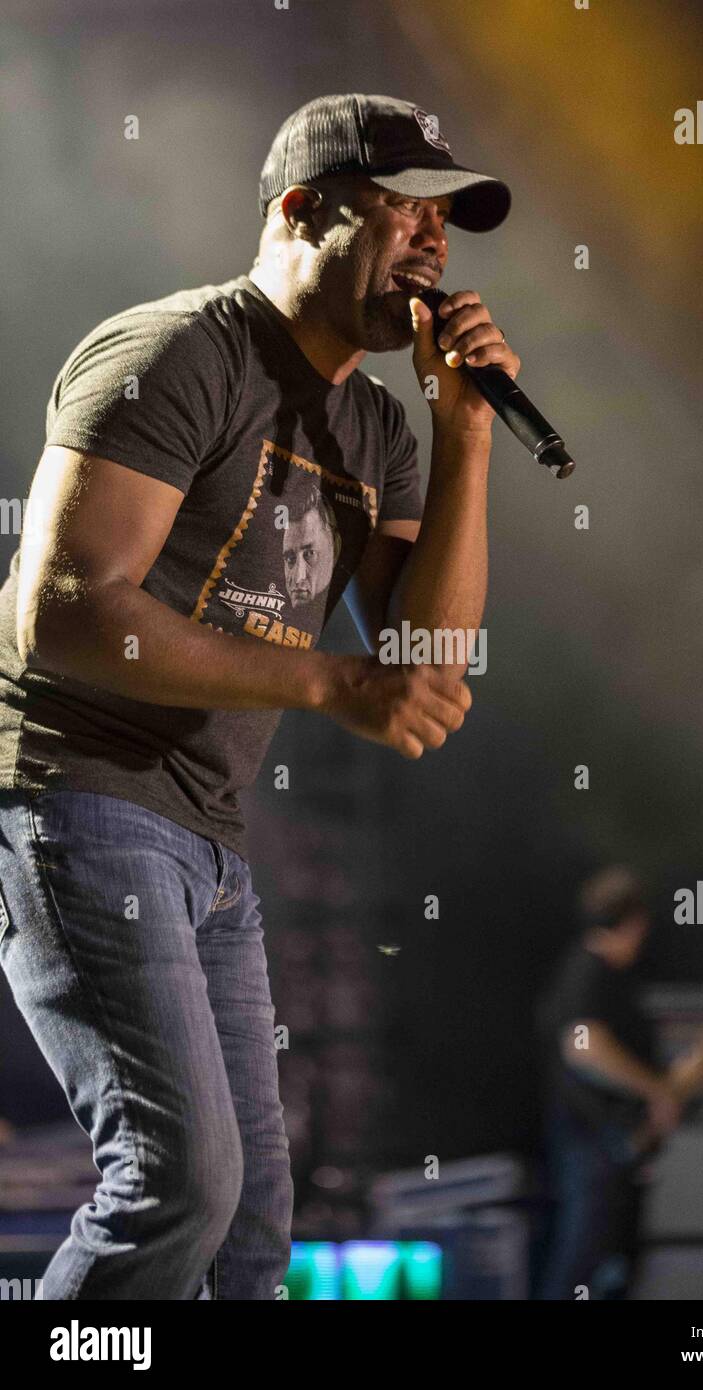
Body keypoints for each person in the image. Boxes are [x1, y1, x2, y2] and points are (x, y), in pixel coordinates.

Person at [0, 94, 519, 1300]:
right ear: (300, 209)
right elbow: (61, 612)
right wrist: (330, 678)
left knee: (247, 1233)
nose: (432, 245)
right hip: (80, 796)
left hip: (207, 839)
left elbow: (426, 655)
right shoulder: (177, 352)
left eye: (446, 223)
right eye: (401, 210)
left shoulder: (378, 426)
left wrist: (464, 438)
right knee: (177, 1180)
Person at [535, 866, 703, 1300]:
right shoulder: (588, 972)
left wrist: (675, 1084)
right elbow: (583, 1046)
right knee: (583, 1267)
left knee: (611, 1272)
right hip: (591, 1148)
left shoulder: (607, 977)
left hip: (614, 1149)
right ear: (635, 922)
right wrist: (660, 1089)